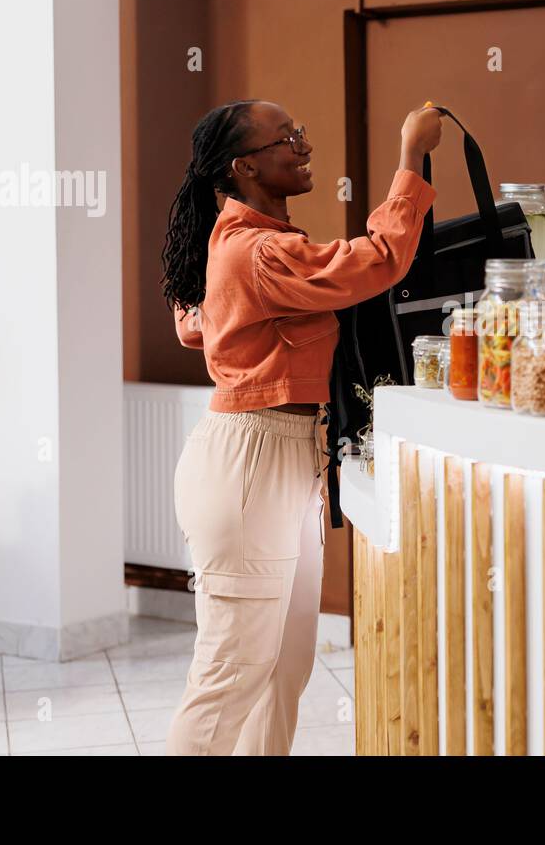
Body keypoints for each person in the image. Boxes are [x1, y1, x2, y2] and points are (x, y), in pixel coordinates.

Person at [160, 99, 442, 755]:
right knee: (231, 675)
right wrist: (410, 156)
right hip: (252, 461)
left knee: (285, 669)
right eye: (287, 137)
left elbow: (192, 324)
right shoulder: (257, 250)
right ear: (246, 166)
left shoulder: (236, 244)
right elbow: (377, 262)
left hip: (281, 458)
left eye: (300, 130)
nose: (303, 144)